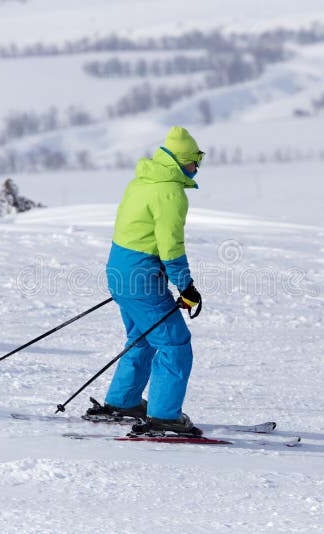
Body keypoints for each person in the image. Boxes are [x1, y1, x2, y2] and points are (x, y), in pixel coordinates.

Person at [87, 126, 204, 435]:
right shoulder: (170, 192)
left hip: (120, 271)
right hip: (141, 277)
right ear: (180, 160)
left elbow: (140, 233)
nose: (197, 166)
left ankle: (123, 401)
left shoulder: (142, 181)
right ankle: (165, 416)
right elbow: (170, 245)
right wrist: (186, 286)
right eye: (195, 159)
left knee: (143, 337)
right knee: (175, 344)